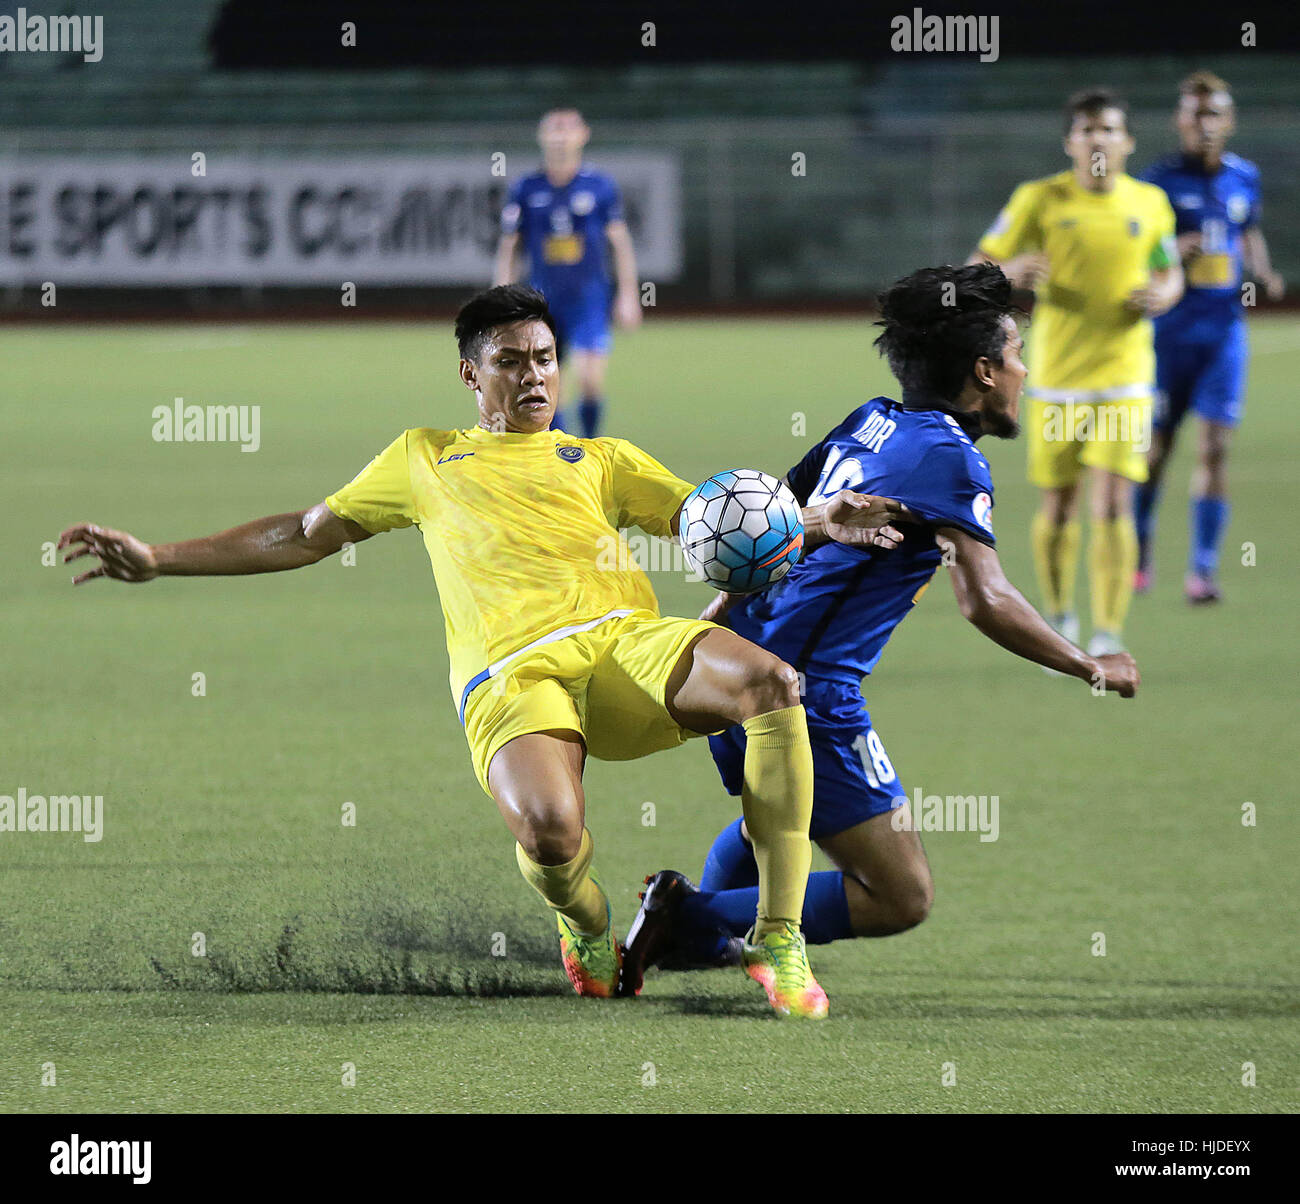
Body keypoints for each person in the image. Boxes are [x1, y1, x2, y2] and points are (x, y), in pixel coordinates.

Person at [56, 284, 910, 1020]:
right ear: (472, 374)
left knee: (772, 682)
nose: (534, 376)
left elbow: (717, 519)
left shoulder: (600, 459)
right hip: (511, 672)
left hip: (625, 648)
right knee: (550, 832)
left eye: (544, 358)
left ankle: (778, 938)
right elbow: (306, 533)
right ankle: (586, 925)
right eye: (511, 361)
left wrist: (814, 518)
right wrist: (160, 557)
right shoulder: (426, 457)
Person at [619, 264, 1140, 994]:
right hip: (805, 694)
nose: (1026, 371)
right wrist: (1089, 665)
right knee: (901, 896)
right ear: (984, 372)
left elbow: (774, 513)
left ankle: (690, 933)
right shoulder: (952, 461)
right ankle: (689, 918)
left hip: (738, 663)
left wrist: (723, 609)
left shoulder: (872, 419)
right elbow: (986, 599)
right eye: (1017, 354)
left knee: (782, 814)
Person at [971, 88, 1182, 659]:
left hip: (1125, 380)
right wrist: (1009, 270)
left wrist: (1165, 292)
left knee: (1112, 505)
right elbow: (976, 265)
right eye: (1087, 131)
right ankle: (1060, 615)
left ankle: (1108, 631)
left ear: (1127, 141)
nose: (1098, 140)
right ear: (1070, 142)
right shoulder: (1039, 199)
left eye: (1109, 130)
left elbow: (1169, 268)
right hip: (1057, 381)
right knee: (1060, 505)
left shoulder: (1150, 203)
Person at [1134, 71, 1284, 603]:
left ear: (1230, 120)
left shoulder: (1245, 176)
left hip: (1223, 333)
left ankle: (1202, 570)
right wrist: (1174, 250)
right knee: (1155, 451)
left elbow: (1248, 230)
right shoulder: (1156, 183)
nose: (1205, 124)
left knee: (1216, 448)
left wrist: (1263, 271)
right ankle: (1140, 555)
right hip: (1168, 335)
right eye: (1196, 114)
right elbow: (1139, 251)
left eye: (1214, 113)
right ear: (1180, 121)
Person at [494, 109, 641, 437]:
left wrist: (629, 295)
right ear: (541, 137)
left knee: (589, 380)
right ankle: (558, 451)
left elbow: (620, 242)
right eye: (554, 129)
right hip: (543, 302)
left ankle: (588, 445)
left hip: (589, 299)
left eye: (567, 128)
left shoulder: (600, 186)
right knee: (545, 386)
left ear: (583, 135)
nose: (560, 136)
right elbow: (510, 245)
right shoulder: (526, 188)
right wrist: (500, 297)